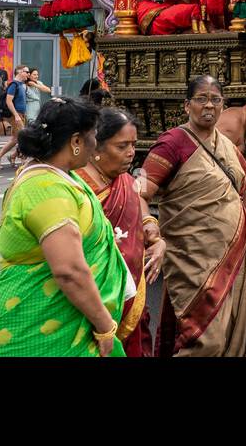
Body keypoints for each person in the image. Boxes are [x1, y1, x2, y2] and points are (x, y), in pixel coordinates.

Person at [141, 75, 246, 356]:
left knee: (235, 331)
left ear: (223, 105)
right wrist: (150, 228)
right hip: (193, 259)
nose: (209, 106)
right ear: (187, 106)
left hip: (236, 253)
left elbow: (242, 193)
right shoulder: (173, 143)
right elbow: (140, 193)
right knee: (208, 340)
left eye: (215, 100)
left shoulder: (228, 146)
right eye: (201, 99)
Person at [0, 98, 130, 356]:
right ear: (76, 141)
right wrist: (106, 327)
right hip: (39, 329)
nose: (95, 143)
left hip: (56, 321)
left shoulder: (57, 174)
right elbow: (69, 271)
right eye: (93, 135)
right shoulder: (47, 190)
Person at [76, 107, 165, 357]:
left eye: (134, 145)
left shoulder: (124, 180)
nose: (131, 153)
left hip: (130, 293)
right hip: (91, 300)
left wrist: (154, 233)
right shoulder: (77, 186)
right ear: (95, 147)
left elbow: (139, 202)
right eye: (121, 146)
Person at [0, 66, 31, 170]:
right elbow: (8, 101)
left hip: (20, 115)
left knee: (15, 139)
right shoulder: (14, 84)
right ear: (20, 72)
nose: (28, 74)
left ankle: (0, 157)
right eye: (26, 72)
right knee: (24, 137)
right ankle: (23, 161)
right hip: (16, 115)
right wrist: (17, 115)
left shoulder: (21, 85)